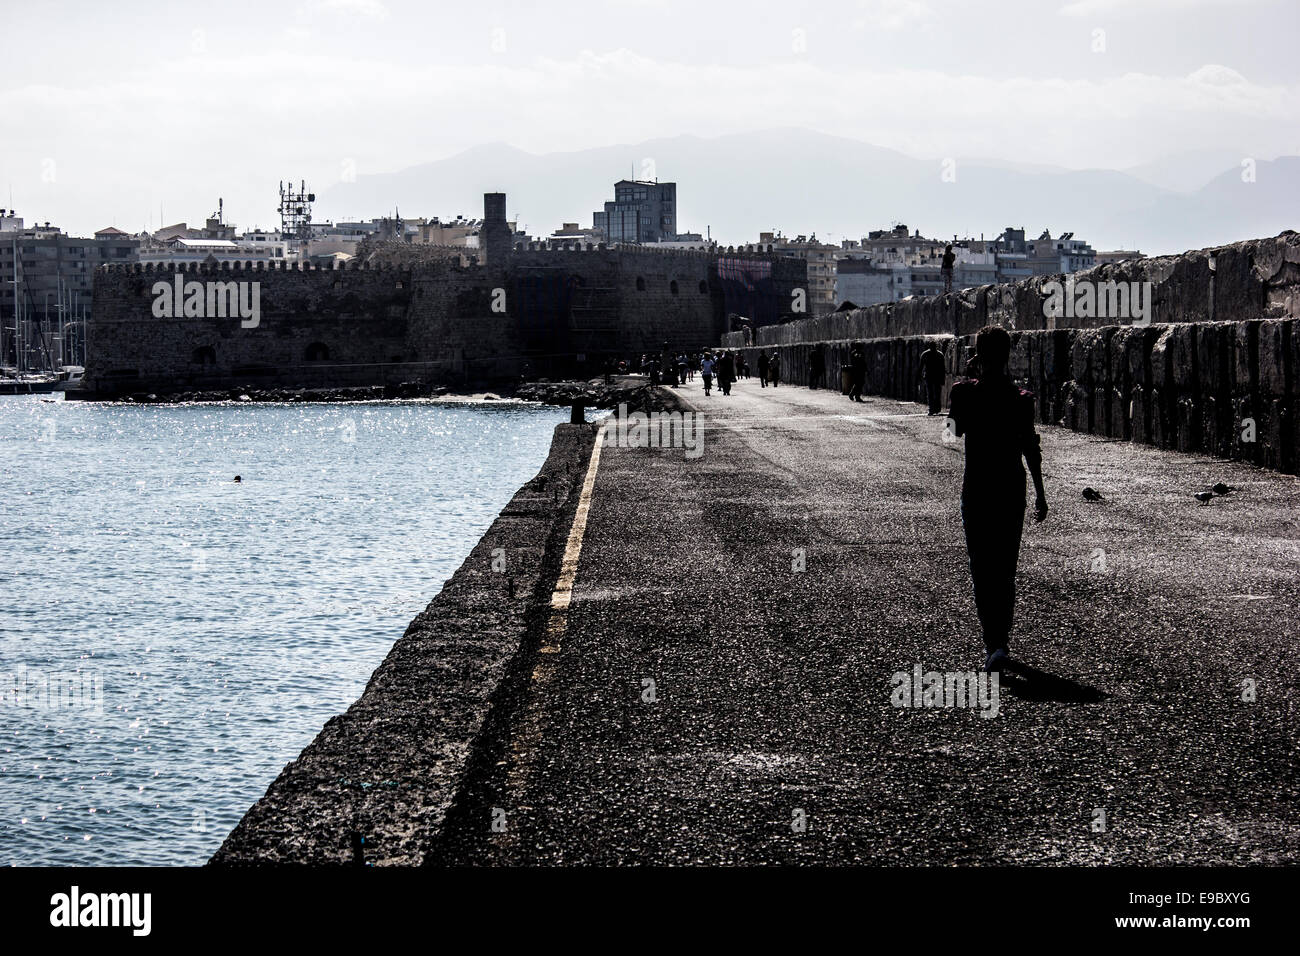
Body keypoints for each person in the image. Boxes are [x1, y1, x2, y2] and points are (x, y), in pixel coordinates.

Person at [947, 325, 1048, 674]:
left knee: (982, 568)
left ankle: (993, 644)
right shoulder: (1021, 399)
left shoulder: (963, 393)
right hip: (1010, 490)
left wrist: (967, 380)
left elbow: (954, 432)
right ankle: (1000, 642)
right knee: (1005, 569)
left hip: (977, 489)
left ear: (978, 355)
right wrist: (1040, 494)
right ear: (1008, 356)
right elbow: (1029, 448)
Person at [920, 341, 946, 415]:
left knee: (931, 393)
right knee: (935, 393)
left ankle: (932, 409)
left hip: (930, 376)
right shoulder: (939, 354)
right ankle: (935, 409)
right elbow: (943, 368)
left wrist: (919, 376)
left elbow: (921, 366)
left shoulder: (925, 354)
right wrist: (942, 378)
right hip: (934, 376)